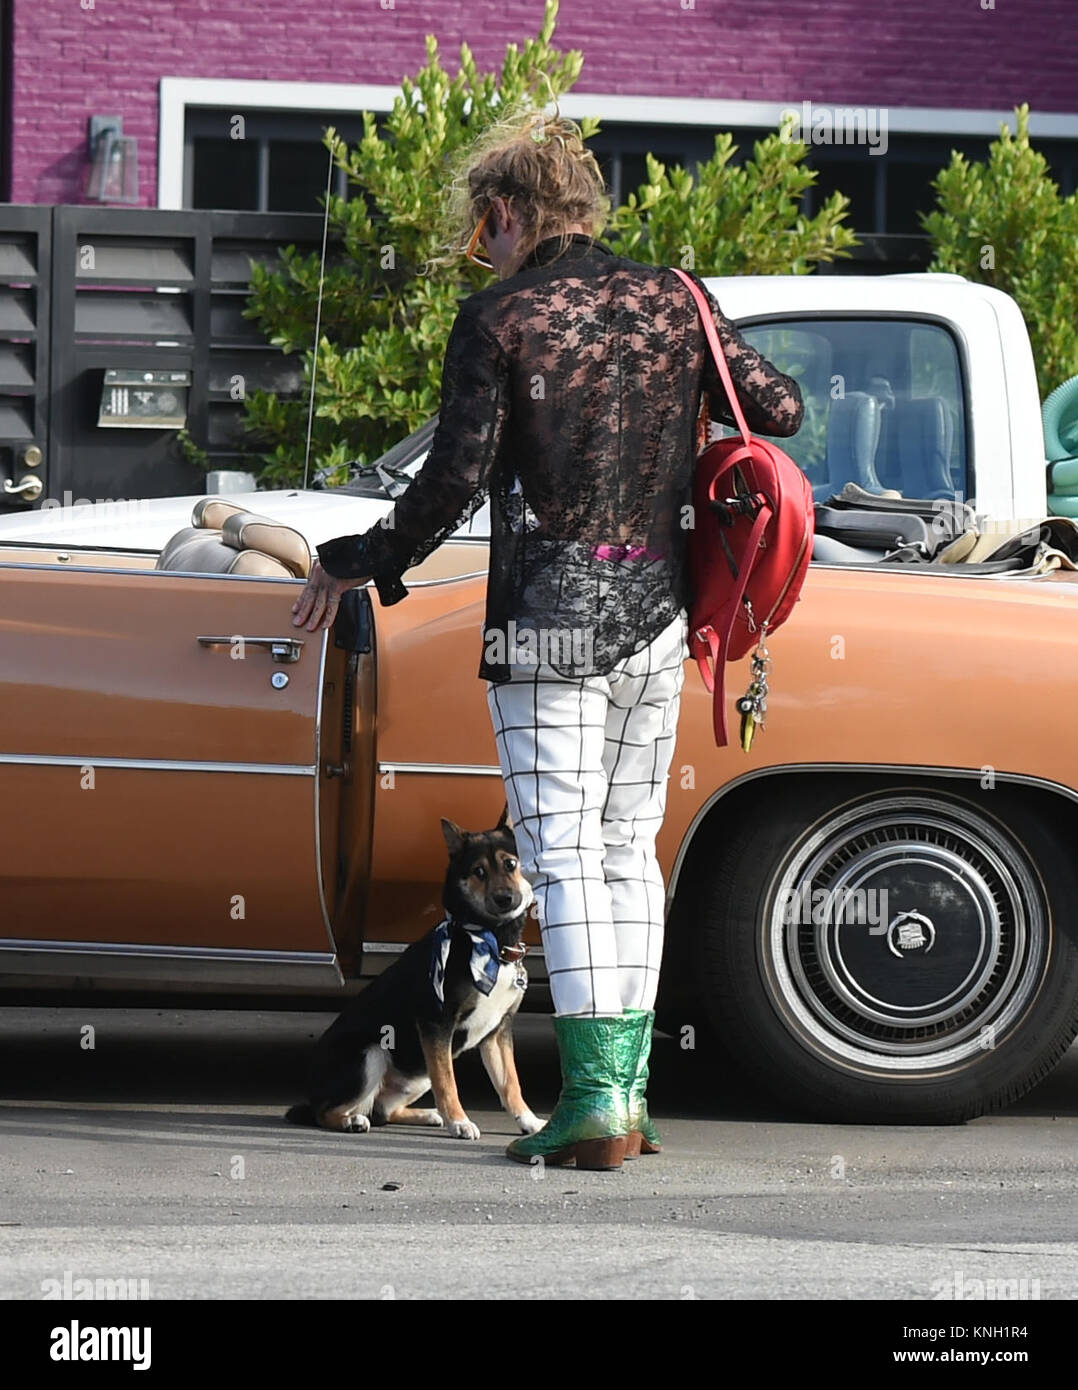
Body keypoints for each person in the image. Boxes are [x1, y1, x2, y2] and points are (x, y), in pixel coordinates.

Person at [291, 106, 804, 1170]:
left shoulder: (501, 317)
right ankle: (629, 1099)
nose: (482, 244)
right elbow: (782, 407)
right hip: (659, 618)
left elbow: (452, 480)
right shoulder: (677, 296)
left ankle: (590, 1109)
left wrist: (359, 554)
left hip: (545, 629)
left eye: (485, 225)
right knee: (627, 855)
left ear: (509, 212)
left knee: (562, 859)